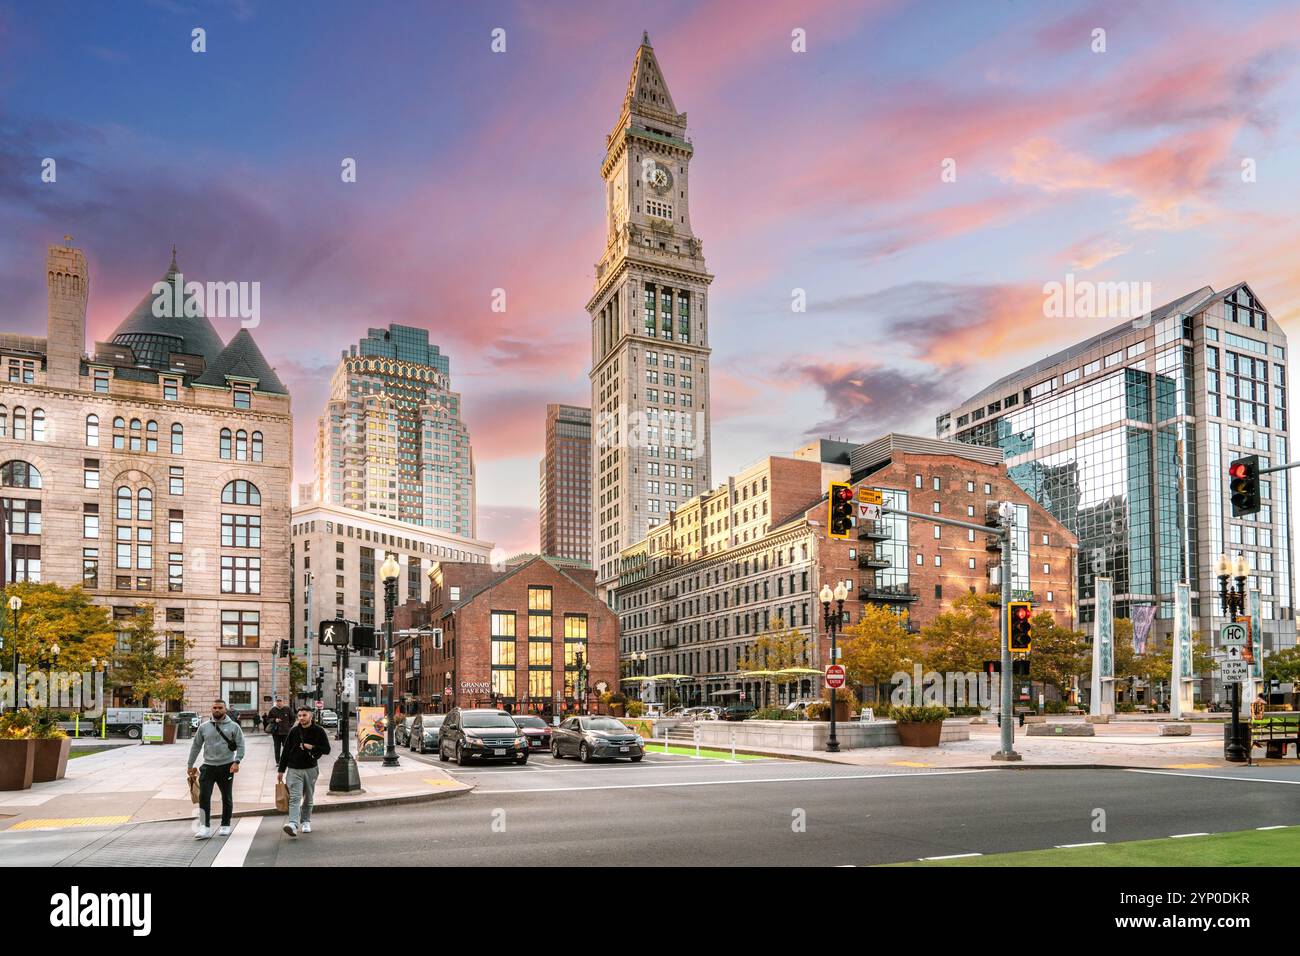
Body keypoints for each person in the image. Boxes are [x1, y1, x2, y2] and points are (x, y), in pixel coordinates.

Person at [186, 699, 246, 839]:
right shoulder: (204, 727)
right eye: (214, 707)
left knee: (227, 797)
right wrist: (190, 764)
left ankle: (225, 825)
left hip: (227, 766)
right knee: (204, 797)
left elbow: (241, 745)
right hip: (208, 767)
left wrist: (237, 761)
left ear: (225, 710)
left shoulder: (234, 726)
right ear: (211, 709)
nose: (217, 710)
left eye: (220, 707)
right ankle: (204, 827)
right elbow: (196, 746)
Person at [278, 706, 331, 837]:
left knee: (308, 797)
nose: (301, 718)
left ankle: (306, 821)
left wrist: (312, 747)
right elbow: (285, 751)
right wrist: (281, 770)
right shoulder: (294, 731)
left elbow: (327, 749)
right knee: (295, 797)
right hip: (293, 769)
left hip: (311, 769)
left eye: (304, 715)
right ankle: (293, 824)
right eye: (299, 716)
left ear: (310, 716)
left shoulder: (318, 731)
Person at [263, 696, 294, 764]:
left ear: (283, 702)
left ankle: (286, 760)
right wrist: (274, 720)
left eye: (280, 701)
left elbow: (293, 718)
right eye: (278, 701)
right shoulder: (273, 710)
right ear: (276, 702)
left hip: (286, 732)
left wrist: (289, 726)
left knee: (286, 747)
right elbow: (268, 719)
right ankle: (278, 762)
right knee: (277, 748)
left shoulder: (287, 709)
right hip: (276, 732)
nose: (279, 702)